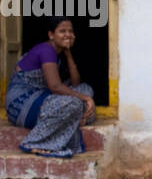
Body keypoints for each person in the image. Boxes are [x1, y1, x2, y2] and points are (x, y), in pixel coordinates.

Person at [5, 17, 97, 157]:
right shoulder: (46, 50)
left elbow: (76, 83)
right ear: (51, 35)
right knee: (74, 103)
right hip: (22, 104)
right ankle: (34, 142)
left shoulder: (58, 53)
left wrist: (68, 53)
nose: (68, 34)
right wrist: (85, 99)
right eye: (62, 31)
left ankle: (74, 116)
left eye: (70, 31)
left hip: (42, 97)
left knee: (86, 89)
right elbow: (55, 86)